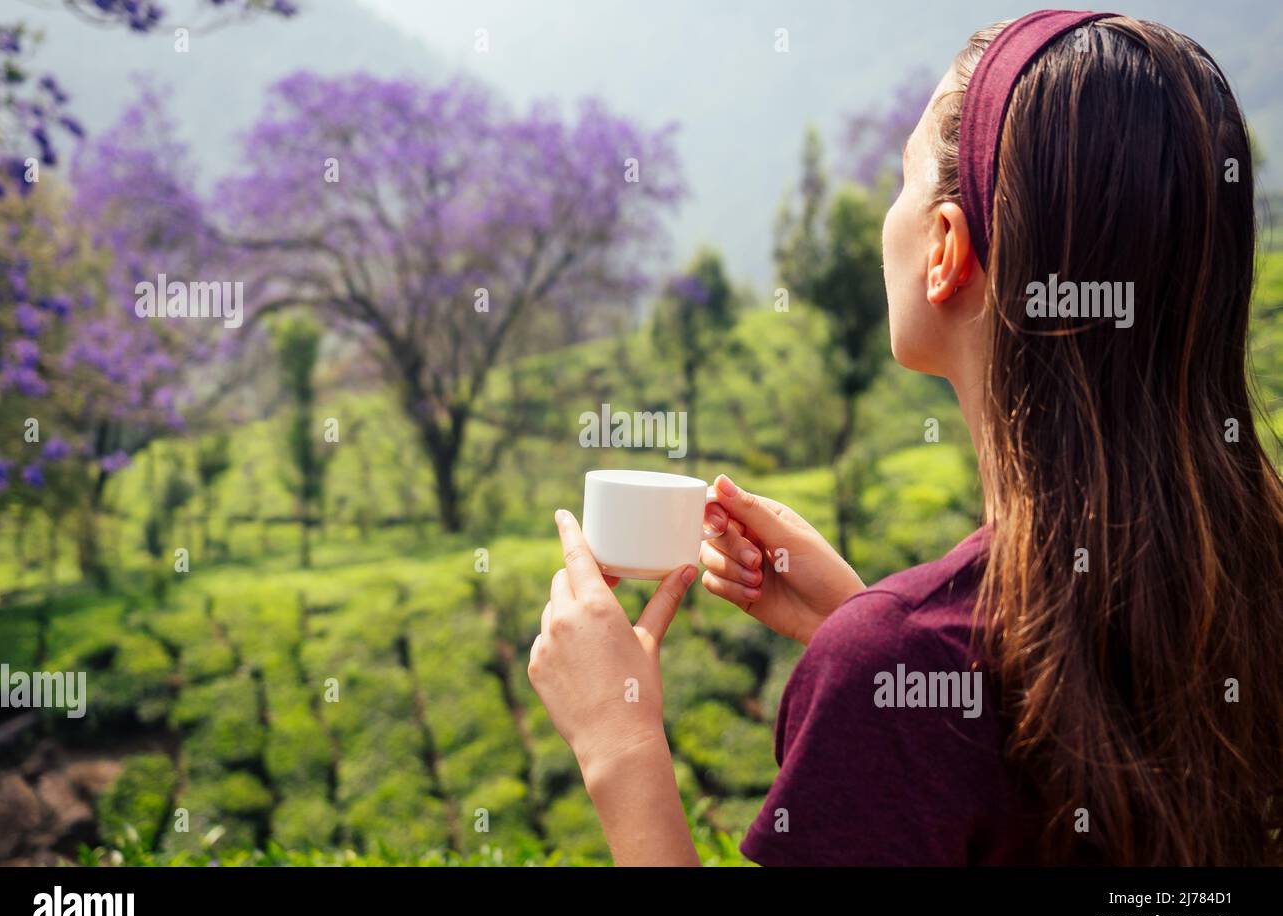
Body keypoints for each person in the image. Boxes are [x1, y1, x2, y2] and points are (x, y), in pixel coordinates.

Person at [527, 10, 1283, 865]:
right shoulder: (1252, 591)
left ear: (947, 248)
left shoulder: (903, 663)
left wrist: (619, 751)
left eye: (902, 180)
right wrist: (878, 643)